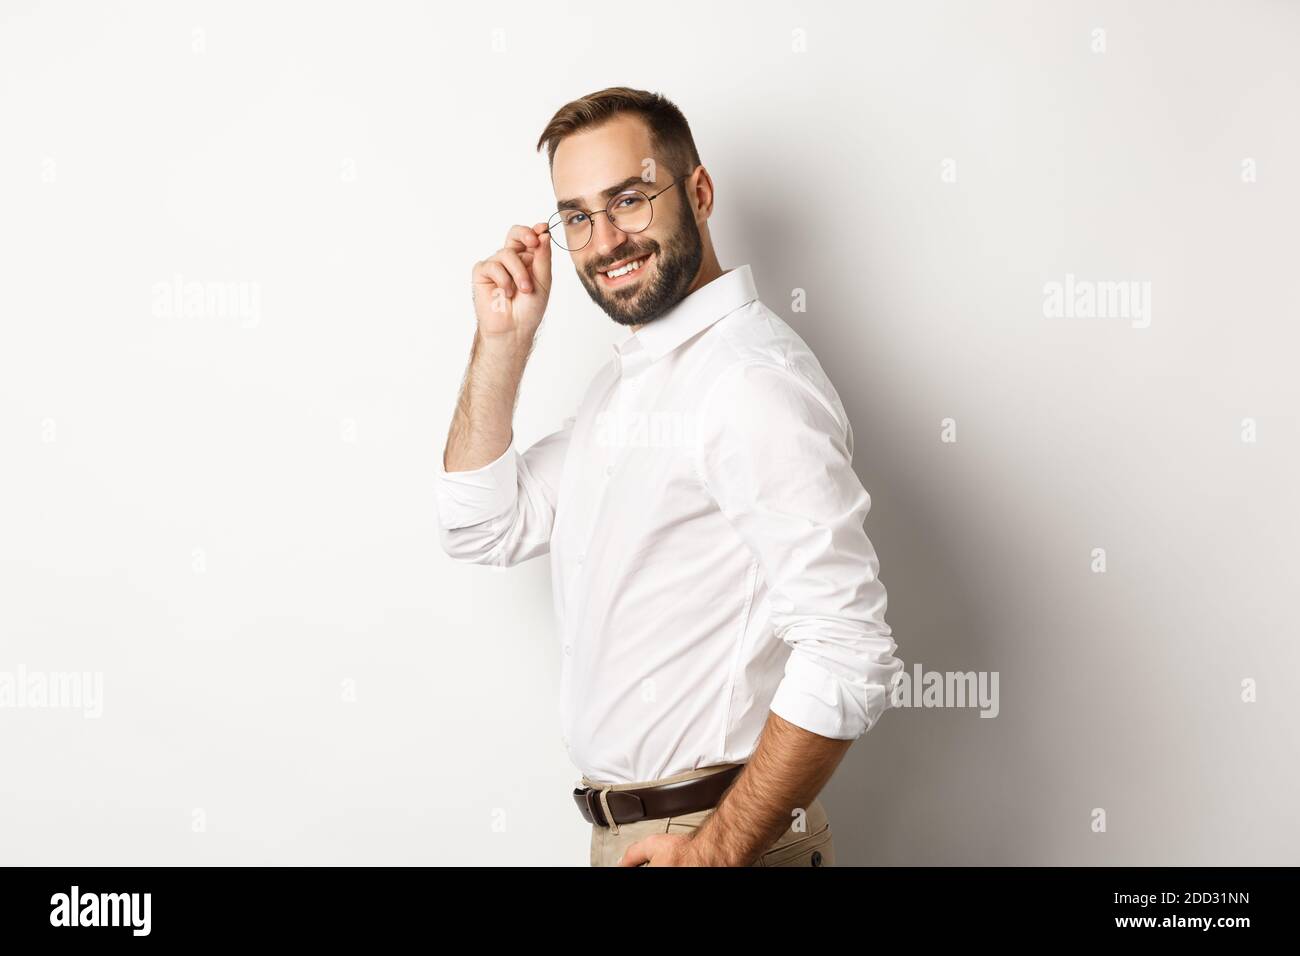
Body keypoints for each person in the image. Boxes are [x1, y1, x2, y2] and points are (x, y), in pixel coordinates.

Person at [435, 86, 902, 866]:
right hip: (639, 839)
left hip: (720, 837)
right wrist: (505, 340)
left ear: (699, 192)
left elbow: (851, 647)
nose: (606, 238)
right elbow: (480, 524)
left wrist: (718, 851)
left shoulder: (750, 382)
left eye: (629, 199)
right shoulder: (628, 388)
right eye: (578, 215)